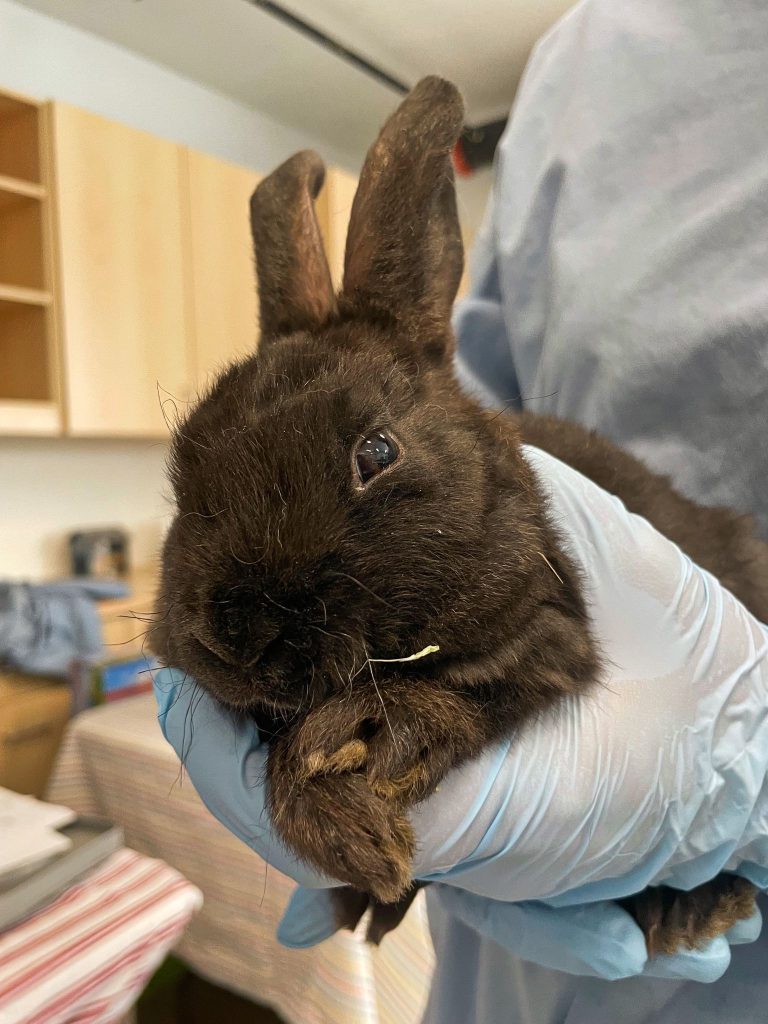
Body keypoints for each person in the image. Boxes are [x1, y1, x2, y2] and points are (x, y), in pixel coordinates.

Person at [153, 0, 768, 1020]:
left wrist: (751, 769)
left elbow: (525, 605)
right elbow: (470, 387)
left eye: (369, 456)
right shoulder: (587, 57)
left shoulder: (462, 494)